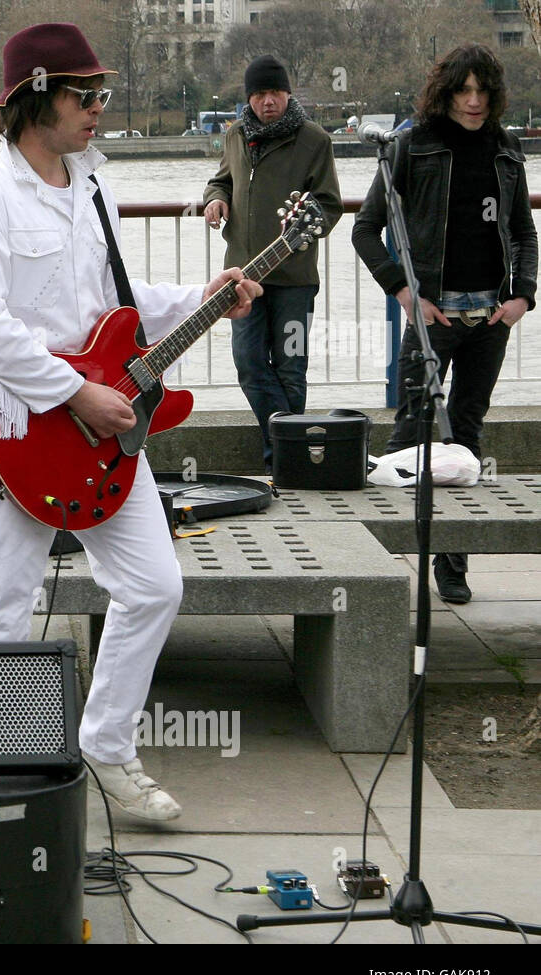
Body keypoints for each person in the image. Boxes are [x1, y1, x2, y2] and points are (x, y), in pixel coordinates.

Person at [0, 23, 261, 821]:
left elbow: (113, 294)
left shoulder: (93, 185)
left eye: (101, 94)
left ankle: (106, 746)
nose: (99, 109)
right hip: (19, 428)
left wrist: (201, 296)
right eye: (85, 95)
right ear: (35, 98)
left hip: (103, 424)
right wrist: (73, 394)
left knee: (154, 585)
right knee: (1, 607)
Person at [354, 43, 536, 604]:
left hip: (491, 318)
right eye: (464, 90)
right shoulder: (412, 146)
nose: (475, 102)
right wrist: (406, 293)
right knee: (408, 435)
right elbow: (366, 228)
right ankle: (374, 561)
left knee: (466, 436)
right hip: (433, 316)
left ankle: (452, 564)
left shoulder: (507, 147)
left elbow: (523, 233)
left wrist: (523, 298)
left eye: (483, 91)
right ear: (446, 91)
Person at [203, 55, 342, 472]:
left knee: (291, 367)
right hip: (242, 277)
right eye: (260, 94)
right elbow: (222, 179)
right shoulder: (235, 135)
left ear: (288, 94)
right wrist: (215, 197)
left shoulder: (314, 139)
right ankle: (294, 449)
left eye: (275, 93)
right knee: (248, 364)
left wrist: (301, 231)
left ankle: (279, 460)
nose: (268, 101)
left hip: (294, 279)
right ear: (250, 97)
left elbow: (330, 205)